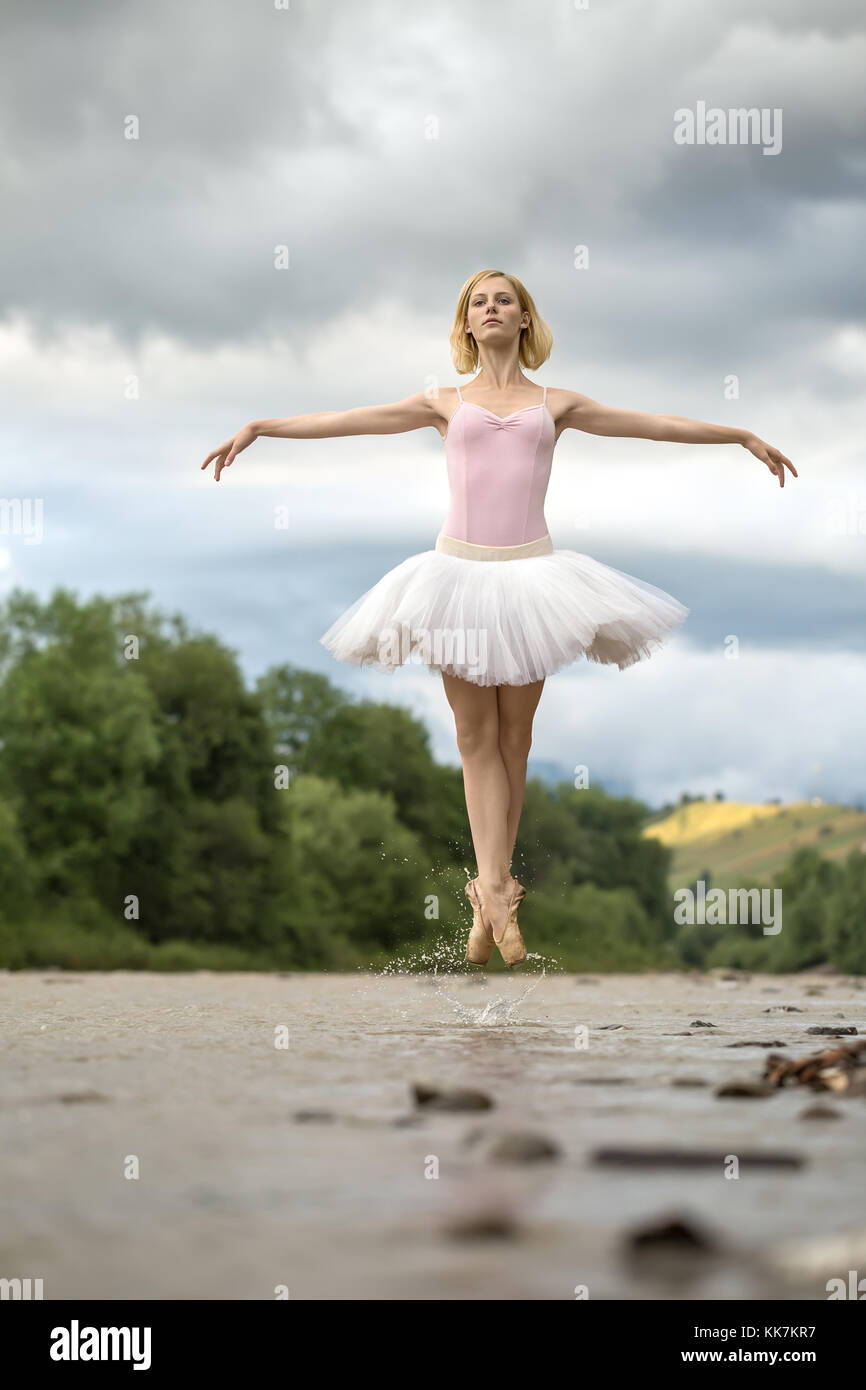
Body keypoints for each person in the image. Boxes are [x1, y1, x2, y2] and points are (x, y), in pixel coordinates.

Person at [201, 268, 796, 970]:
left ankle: (491, 894)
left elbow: (652, 425)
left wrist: (739, 435)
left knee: (516, 740)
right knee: (473, 737)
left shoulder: (557, 403)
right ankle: (494, 891)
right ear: (466, 324)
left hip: (532, 580)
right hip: (455, 577)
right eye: (477, 302)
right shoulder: (442, 402)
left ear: (523, 320)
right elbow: (348, 421)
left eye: (502, 300)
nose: (490, 309)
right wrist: (260, 427)